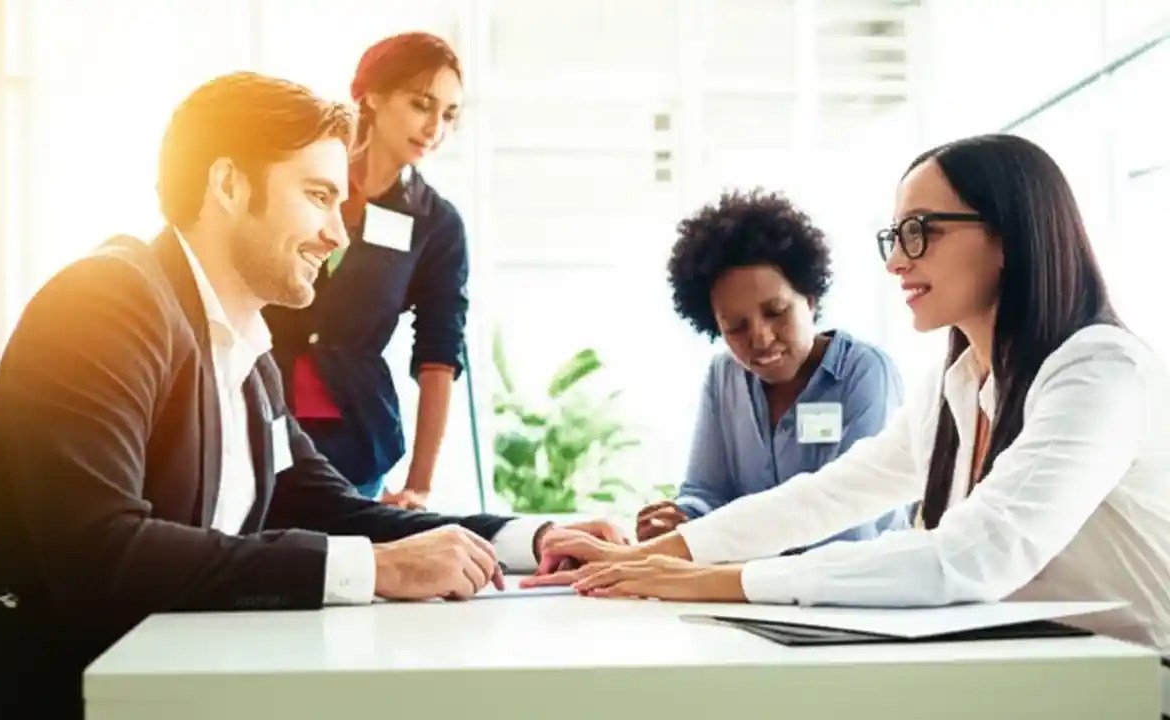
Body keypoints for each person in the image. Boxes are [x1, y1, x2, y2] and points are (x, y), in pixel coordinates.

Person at [0, 72, 621, 718]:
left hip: (141, 676)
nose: (336, 233)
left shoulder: (244, 347)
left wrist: (527, 538)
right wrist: (377, 568)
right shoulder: (109, 301)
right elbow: (99, 552)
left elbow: (325, 504)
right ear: (229, 185)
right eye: (316, 196)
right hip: (17, 691)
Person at [526, 134, 1170, 656]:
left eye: (920, 232)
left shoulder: (1098, 371)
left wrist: (709, 581)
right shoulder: (959, 383)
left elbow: (972, 556)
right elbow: (825, 496)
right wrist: (641, 558)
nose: (896, 262)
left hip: (1136, 687)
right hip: (1031, 673)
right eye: (895, 238)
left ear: (1006, 235)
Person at [264, 32, 470, 510]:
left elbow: (440, 356)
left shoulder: (436, 224)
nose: (434, 127)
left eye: (450, 115)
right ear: (372, 94)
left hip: (354, 449)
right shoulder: (296, 176)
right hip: (260, 420)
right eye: (422, 104)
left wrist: (419, 486)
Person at [634, 188, 909, 545]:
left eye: (776, 312)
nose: (760, 338)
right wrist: (682, 518)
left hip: (854, 587)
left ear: (809, 300)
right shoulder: (723, 377)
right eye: (735, 326)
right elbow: (707, 491)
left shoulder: (864, 372)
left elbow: (849, 517)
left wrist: (713, 539)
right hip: (748, 587)